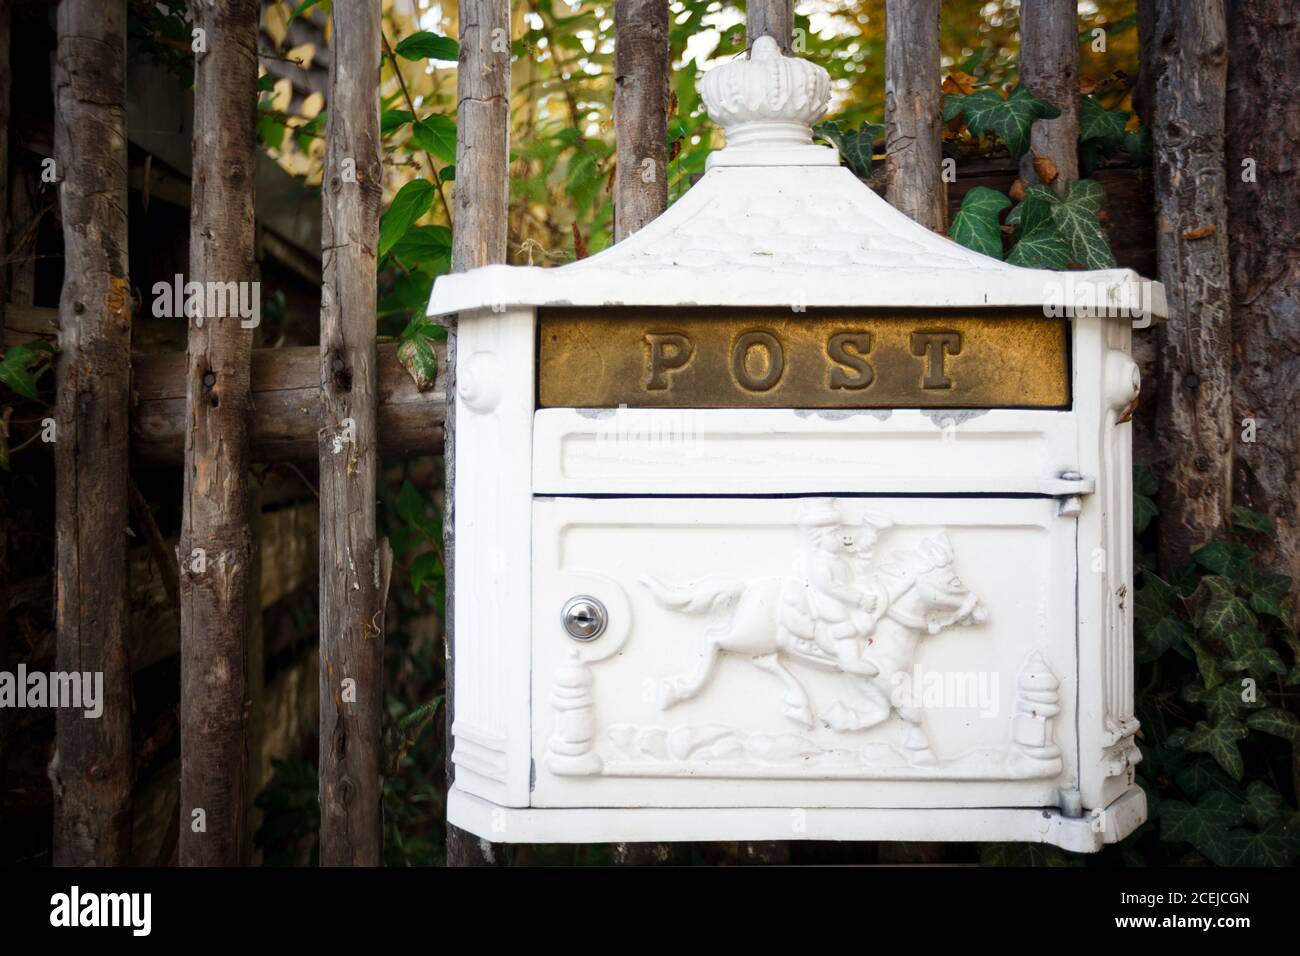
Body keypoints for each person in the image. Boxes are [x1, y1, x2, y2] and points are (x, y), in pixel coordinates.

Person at [779, 500, 891, 675]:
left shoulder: (837, 560)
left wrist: (869, 539)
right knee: (843, 622)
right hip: (826, 601)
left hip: (842, 597)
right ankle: (851, 661)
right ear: (817, 539)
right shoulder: (818, 563)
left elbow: (856, 571)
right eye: (834, 534)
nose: (840, 538)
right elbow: (831, 587)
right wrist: (860, 599)